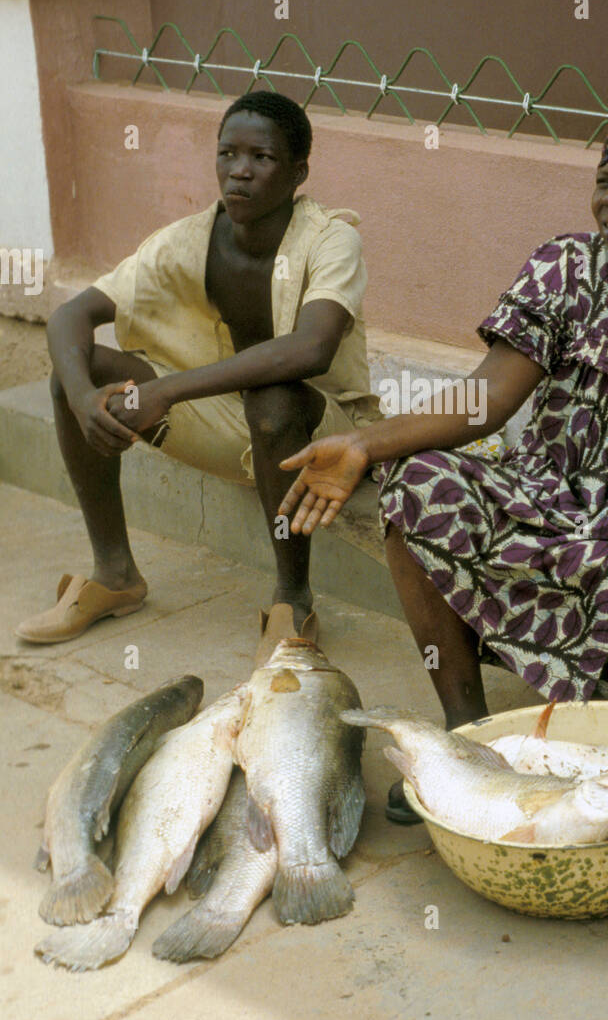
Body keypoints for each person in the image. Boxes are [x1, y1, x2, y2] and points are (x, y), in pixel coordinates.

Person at [278, 88, 608, 832]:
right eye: (603, 179)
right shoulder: (563, 268)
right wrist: (368, 443)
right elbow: (485, 402)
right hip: (551, 509)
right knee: (418, 479)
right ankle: (466, 734)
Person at [17, 91, 381, 663]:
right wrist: (87, 402)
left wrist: (163, 391)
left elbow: (310, 350)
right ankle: (115, 575)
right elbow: (70, 315)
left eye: (261, 157)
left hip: (319, 432)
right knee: (76, 371)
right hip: (221, 421)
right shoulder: (189, 241)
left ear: (298, 173)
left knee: (274, 397)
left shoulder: (331, 240)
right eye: (227, 153)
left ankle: (293, 602)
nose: (239, 170)